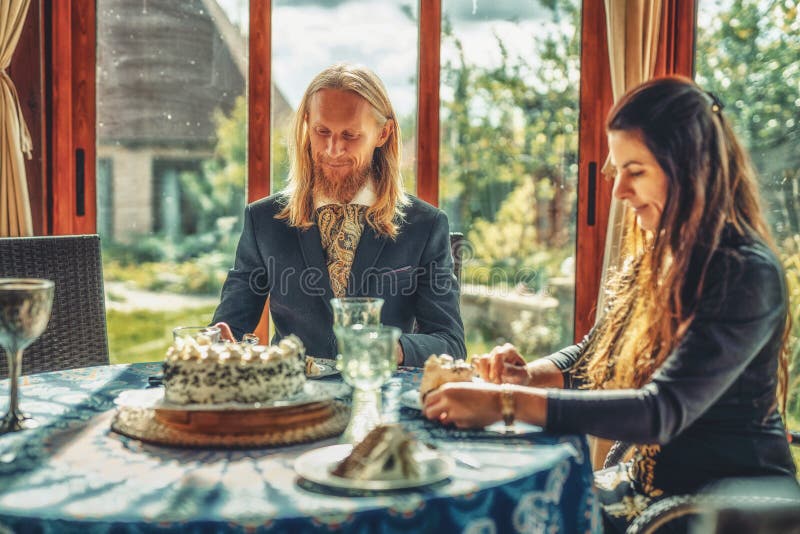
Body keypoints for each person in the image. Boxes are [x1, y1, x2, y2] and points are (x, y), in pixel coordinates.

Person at [422, 76, 797, 530]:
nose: (618, 191)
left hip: (712, 508)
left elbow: (660, 411)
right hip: (643, 491)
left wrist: (507, 402)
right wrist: (527, 376)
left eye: (635, 171)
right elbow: (593, 354)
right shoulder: (660, 255)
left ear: (691, 168)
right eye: (616, 171)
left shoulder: (743, 272)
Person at [212, 63, 466, 366]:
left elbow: (450, 344)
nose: (333, 149)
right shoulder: (263, 220)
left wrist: (393, 348)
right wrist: (217, 345)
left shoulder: (426, 226)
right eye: (322, 132)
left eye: (350, 135)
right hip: (294, 402)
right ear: (307, 125)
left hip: (381, 402)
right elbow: (228, 328)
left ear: (382, 133)